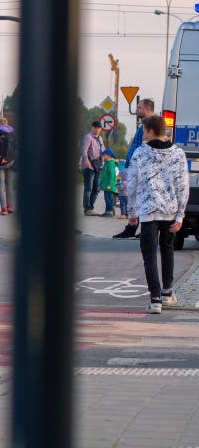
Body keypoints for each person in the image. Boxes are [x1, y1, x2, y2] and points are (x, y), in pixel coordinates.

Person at [126, 115, 190, 314]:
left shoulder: (140, 153)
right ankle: (168, 294)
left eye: (144, 130)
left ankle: (155, 300)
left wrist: (132, 212)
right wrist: (180, 216)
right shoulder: (178, 154)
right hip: (170, 211)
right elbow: (183, 186)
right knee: (168, 249)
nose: (143, 134)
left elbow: (132, 184)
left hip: (147, 212)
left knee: (149, 254)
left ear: (151, 130)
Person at [114, 98, 156, 238]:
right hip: (135, 166)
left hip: (141, 168)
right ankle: (135, 228)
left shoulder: (152, 125)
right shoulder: (144, 125)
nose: (137, 110)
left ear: (147, 108)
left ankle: (138, 229)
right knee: (137, 199)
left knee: (140, 199)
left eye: (139, 107)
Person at [80, 121, 105, 216]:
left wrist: (110, 158)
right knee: (89, 188)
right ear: (92, 128)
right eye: (95, 127)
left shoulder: (100, 139)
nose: (97, 129)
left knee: (97, 189)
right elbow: (83, 150)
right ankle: (88, 208)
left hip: (98, 166)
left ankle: (90, 207)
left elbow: (103, 150)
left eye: (99, 128)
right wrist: (85, 160)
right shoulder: (88, 137)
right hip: (89, 166)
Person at [98, 148, 118, 216]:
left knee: (109, 199)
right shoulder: (107, 163)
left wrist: (109, 184)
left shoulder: (110, 164)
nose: (103, 157)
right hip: (106, 185)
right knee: (107, 199)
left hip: (109, 185)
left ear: (109, 155)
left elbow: (112, 175)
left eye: (104, 155)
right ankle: (107, 211)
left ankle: (110, 212)